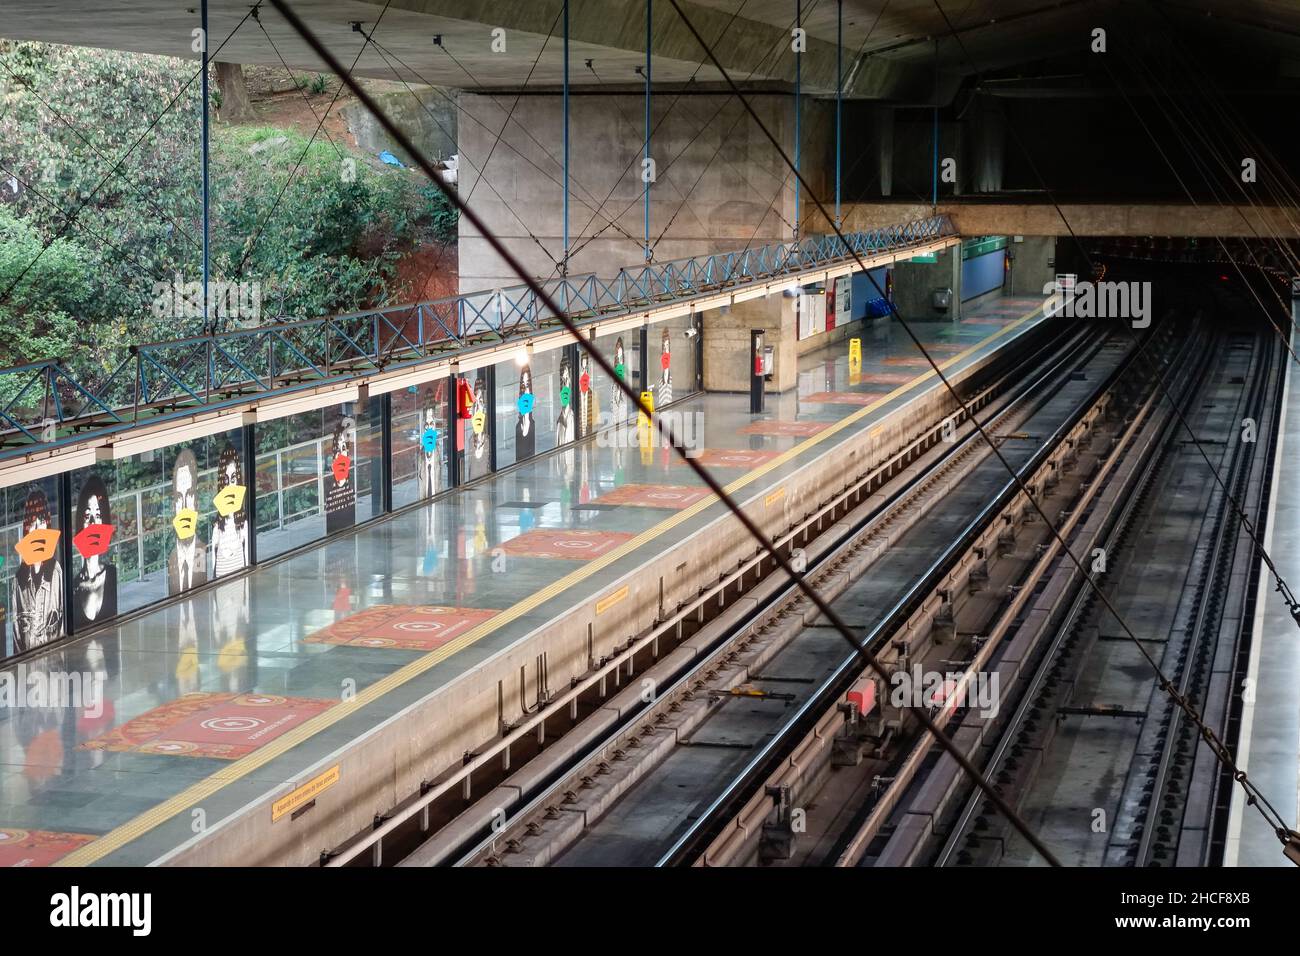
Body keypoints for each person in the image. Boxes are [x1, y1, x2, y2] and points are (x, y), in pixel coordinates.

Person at [11, 488, 64, 653]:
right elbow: (16, 636)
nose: (38, 529)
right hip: (28, 664)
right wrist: (21, 665)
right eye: (33, 524)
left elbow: (62, 625)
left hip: (53, 661)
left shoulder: (56, 572)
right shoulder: (18, 580)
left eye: (41, 522)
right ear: (27, 529)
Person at [72, 475, 117, 630]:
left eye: (98, 515)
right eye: (87, 516)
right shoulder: (73, 586)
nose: (92, 522)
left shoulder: (112, 574)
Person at [167, 449, 207, 595]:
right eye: (179, 497)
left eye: (189, 494)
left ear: (196, 501)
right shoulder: (172, 558)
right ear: (173, 505)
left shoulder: (200, 551)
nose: (184, 506)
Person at [209, 444, 248, 579]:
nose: (230, 485)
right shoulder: (218, 524)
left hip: (238, 570)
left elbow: (247, 554)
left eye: (233, 479)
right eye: (225, 480)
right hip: (222, 572)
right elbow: (214, 555)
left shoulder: (243, 522)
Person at [417, 402, 441, 499]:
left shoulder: (437, 450)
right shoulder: (421, 453)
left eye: (432, 424)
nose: (429, 428)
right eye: (426, 425)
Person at [516, 364, 535, 460]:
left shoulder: (532, 424)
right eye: (523, 386)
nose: (525, 391)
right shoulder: (518, 426)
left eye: (528, 385)